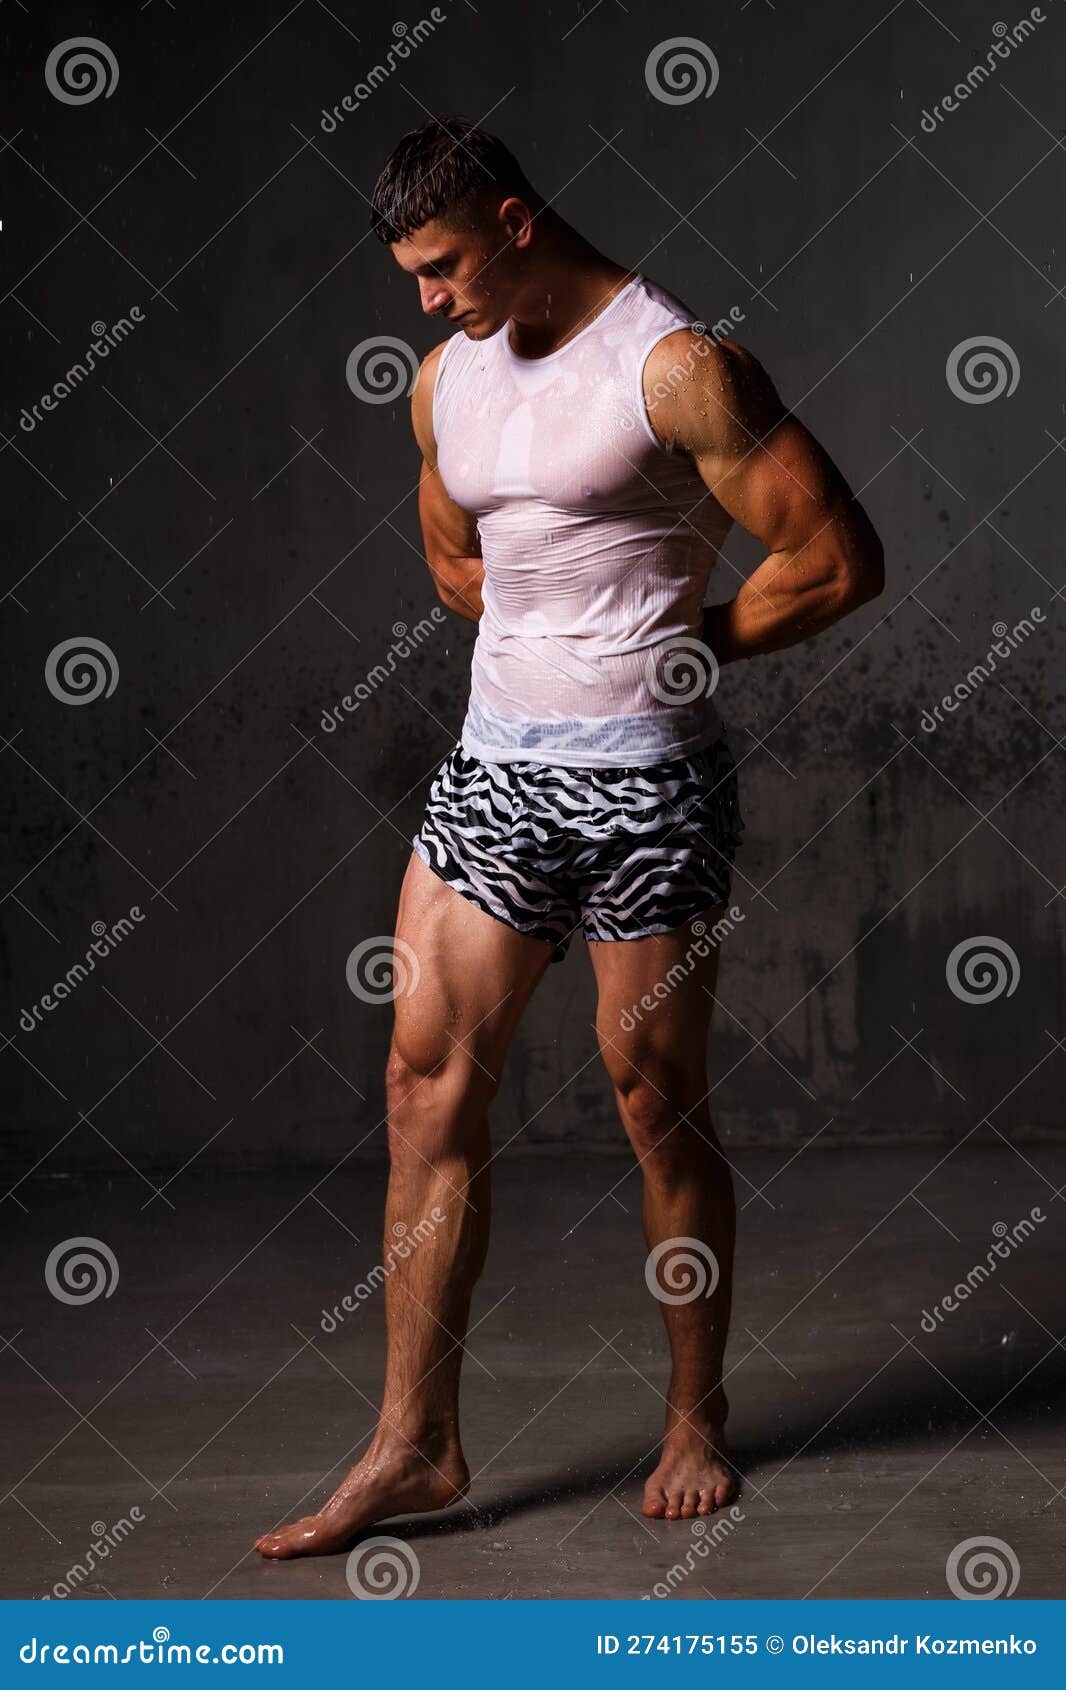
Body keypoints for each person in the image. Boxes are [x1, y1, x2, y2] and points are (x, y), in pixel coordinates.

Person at [255, 116, 883, 1560]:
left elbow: (836, 559)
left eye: (444, 266)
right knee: (421, 1087)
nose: (429, 300)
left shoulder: (675, 364)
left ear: (516, 221)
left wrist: (679, 643)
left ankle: (694, 1415)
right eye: (413, 278)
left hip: (649, 786)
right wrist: (546, 639)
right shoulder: (447, 378)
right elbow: (454, 556)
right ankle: (416, 1444)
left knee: (652, 1099)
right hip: (495, 778)